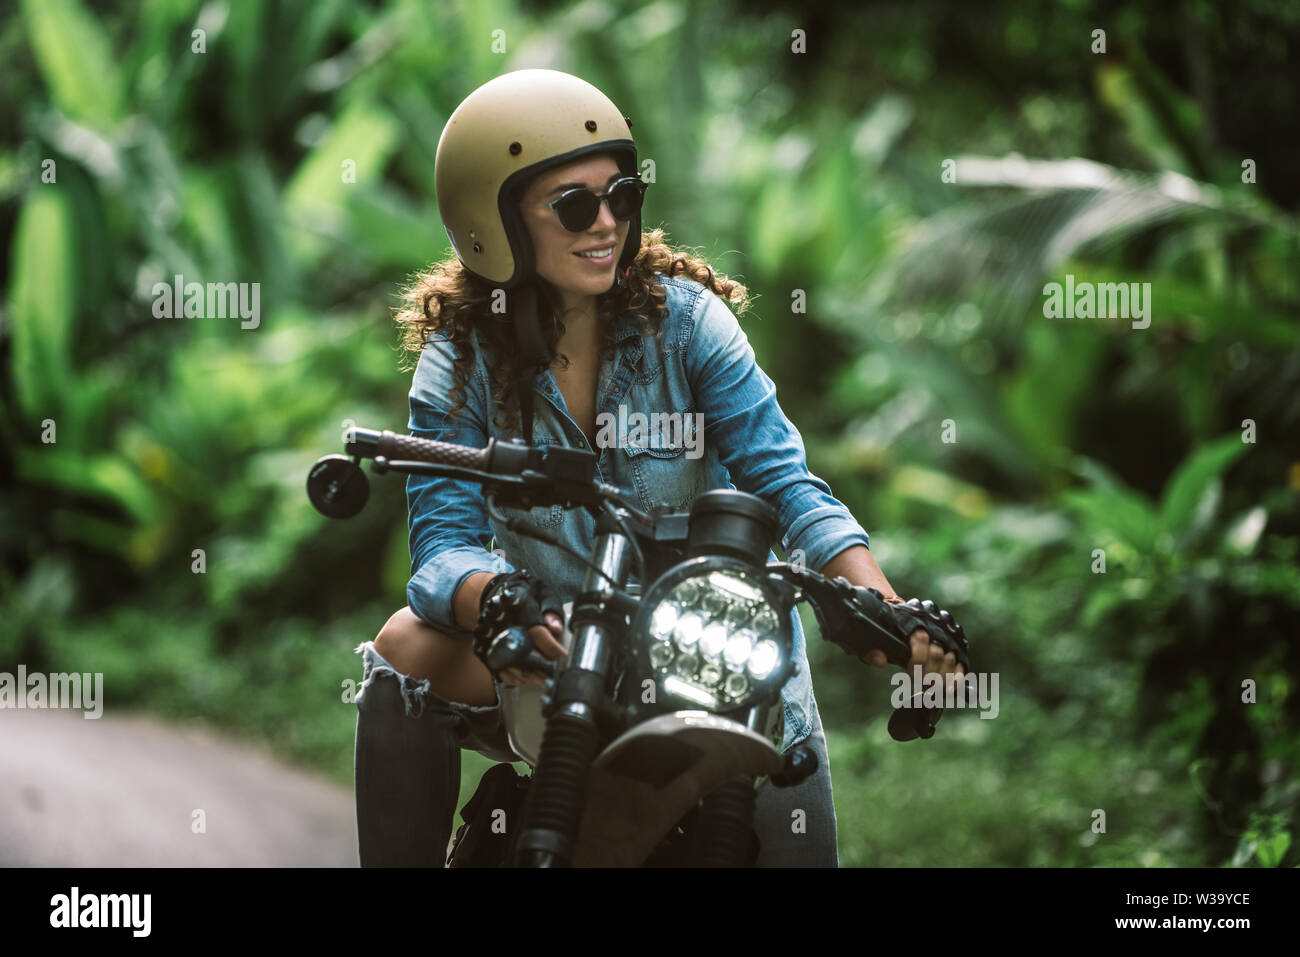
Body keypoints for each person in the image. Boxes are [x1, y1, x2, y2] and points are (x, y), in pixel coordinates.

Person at [352, 68, 966, 867]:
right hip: (556, 645)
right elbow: (443, 545)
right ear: (493, 221)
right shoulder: (460, 359)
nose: (606, 221)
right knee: (403, 650)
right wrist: (497, 597)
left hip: (712, 641)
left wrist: (889, 609)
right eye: (574, 205)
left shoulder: (687, 324)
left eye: (622, 196)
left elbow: (787, 484)